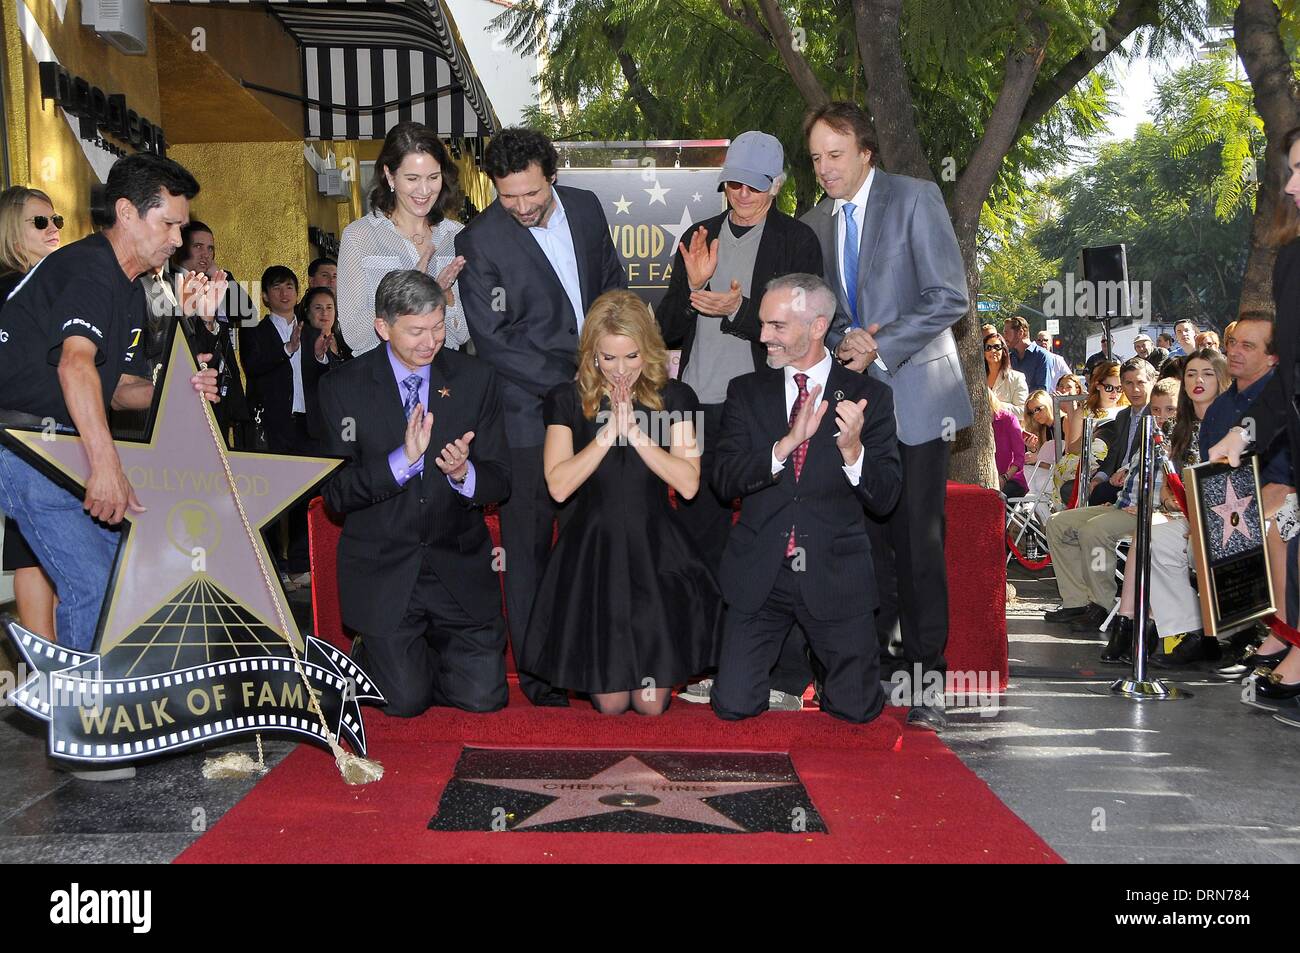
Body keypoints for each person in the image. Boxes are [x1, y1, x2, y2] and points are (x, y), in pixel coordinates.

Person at [0, 155, 220, 781]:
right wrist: (105, 468)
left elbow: (117, 387)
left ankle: (122, 714)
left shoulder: (127, 286)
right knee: (92, 580)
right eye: (170, 225)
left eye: (183, 228)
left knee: (122, 573)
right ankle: (83, 735)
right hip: (17, 439)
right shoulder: (89, 270)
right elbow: (73, 368)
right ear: (126, 213)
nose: (179, 240)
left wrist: (176, 387)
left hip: (56, 438)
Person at [801, 101, 970, 731]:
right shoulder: (816, 221)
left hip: (920, 401)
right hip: (855, 406)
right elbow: (828, 310)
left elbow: (949, 296)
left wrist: (883, 340)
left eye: (835, 155)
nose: (825, 168)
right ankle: (865, 673)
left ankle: (929, 682)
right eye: (816, 158)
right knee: (867, 547)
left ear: (866, 151)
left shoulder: (915, 198)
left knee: (917, 545)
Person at [454, 126, 625, 706]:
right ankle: (537, 674)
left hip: (599, 405)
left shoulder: (586, 207)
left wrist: (615, 360)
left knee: (588, 539)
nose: (522, 207)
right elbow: (493, 340)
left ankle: (585, 659)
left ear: (552, 174)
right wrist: (576, 381)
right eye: (508, 197)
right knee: (527, 547)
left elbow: (612, 288)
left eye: (532, 193)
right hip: (528, 415)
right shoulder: (480, 240)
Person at [709, 273, 901, 724]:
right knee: (734, 706)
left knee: (856, 712)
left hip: (836, 573)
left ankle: (823, 665)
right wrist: (783, 446)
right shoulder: (746, 392)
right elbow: (722, 480)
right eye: (762, 324)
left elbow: (887, 497)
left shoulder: (869, 396)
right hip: (761, 574)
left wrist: (853, 452)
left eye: (777, 326)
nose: (762, 336)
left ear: (817, 327)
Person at [319, 270, 511, 716]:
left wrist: (465, 474)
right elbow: (336, 496)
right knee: (405, 702)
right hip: (385, 568)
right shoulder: (341, 388)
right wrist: (401, 462)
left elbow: (502, 479)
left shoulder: (476, 379)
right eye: (416, 330)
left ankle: (425, 662)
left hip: (457, 566)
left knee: (483, 698)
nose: (431, 341)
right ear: (382, 327)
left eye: (439, 326)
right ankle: (383, 656)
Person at [523, 290, 720, 714]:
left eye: (631, 357)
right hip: (593, 552)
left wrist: (638, 434)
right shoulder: (565, 399)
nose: (620, 370)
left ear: (647, 350)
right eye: (608, 358)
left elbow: (688, 483)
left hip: (657, 550)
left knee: (650, 706)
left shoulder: (678, 397)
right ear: (592, 354)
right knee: (611, 705)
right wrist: (609, 434)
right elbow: (558, 485)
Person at [657, 131, 822, 577]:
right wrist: (692, 288)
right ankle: (701, 630)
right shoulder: (699, 235)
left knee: (767, 523)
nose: (743, 195)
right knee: (697, 528)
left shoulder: (797, 241)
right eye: (734, 184)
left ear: (778, 184)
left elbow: (803, 333)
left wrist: (740, 311)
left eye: (755, 185)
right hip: (697, 403)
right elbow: (664, 330)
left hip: (765, 405)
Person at [337, 122, 469, 355]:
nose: (424, 190)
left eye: (433, 177)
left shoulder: (456, 237)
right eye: (412, 178)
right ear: (389, 175)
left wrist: (446, 296)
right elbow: (354, 335)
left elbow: (462, 334)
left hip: (443, 380)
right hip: (380, 380)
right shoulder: (359, 237)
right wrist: (414, 294)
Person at [240, 265, 329, 586]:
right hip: (271, 423)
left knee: (306, 494)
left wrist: (319, 356)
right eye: (277, 288)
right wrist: (287, 349)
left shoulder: (311, 330)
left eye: (290, 286)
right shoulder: (254, 329)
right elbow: (253, 366)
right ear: (265, 296)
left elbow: (322, 378)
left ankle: (300, 565)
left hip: (307, 422)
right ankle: (272, 565)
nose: (284, 293)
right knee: (271, 495)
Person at [0, 186, 62, 643]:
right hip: (24, 433)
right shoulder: (10, 289)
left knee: (61, 548)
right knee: (32, 548)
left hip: (63, 431)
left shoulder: (52, 285)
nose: (54, 228)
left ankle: (64, 656)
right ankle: (47, 660)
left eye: (56, 220)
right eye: (40, 222)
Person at [1101, 377, 1182, 663]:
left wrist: (1155, 506)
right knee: (1142, 537)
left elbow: (1175, 492)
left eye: (1170, 410)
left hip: (1177, 516)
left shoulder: (1182, 439)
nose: (1162, 417)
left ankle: (1138, 624)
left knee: (1144, 535)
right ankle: (1126, 621)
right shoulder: (1153, 438)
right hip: (1148, 510)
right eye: (1157, 411)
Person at [1087, 357, 1155, 506]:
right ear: (1122, 385)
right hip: (1115, 481)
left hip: (1140, 485)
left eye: (1141, 383)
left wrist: (1126, 471)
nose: (1135, 389)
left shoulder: (1157, 416)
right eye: (1128, 383)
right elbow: (1114, 454)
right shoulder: (1122, 416)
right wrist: (1099, 477)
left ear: (1152, 383)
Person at [990, 389, 1026, 496]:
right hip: (987, 480)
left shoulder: (1008, 419)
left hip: (1011, 479)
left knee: (995, 498)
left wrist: (1005, 477)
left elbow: (1019, 457)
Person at [1002, 316, 1050, 392]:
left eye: (1006, 332)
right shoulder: (1010, 357)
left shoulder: (1042, 355)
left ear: (1020, 333)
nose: (1004, 337)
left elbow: (1042, 390)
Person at [984, 330, 1028, 410]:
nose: (992, 351)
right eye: (988, 347)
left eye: (996, 347)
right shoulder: (979, 379)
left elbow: (1023, 412)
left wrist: (997, 405)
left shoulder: (1017, 378)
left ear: (1003, 351)